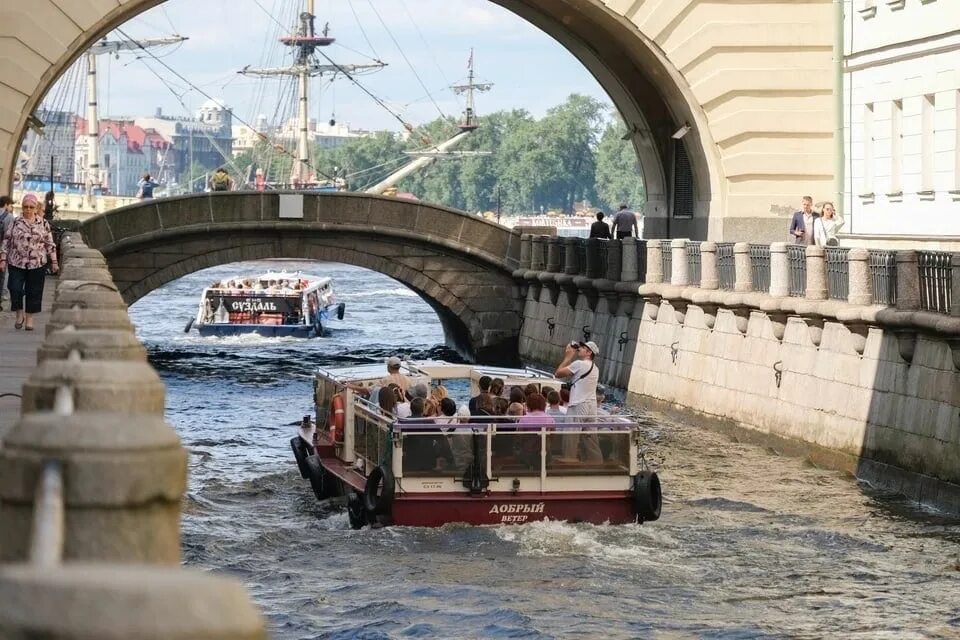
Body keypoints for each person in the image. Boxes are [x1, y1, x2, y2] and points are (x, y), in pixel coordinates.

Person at [0, 193, 59, 331]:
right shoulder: (16, 222)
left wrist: (54, 262)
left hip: (37, 263)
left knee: (34, 291)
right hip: (16, 262)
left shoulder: (43, 223)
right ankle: (19, 313)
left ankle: (29, 318)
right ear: (22, 207)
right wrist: (3, 259)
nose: (28, 209)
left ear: (36, 208)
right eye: (25, 207)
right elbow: (6, 241)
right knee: (14, 288)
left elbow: (50, 244)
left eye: (31, 207)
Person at [555, 340, 602, 462]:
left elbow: (558, 373)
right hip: (591, 406)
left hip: (578, 404)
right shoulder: (595, 368)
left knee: (571, 435)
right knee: (591, 438)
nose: (579, 348)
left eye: (582, 347)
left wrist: (568, 357)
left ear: (589, 352)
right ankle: (597, 464)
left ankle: (568, 461)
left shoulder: (579, 364)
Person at [0, 195, 15, 309]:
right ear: (6, 204)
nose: (11, 208)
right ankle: (2, 295)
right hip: (2, 250)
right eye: (10, 205)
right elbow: (9, 236)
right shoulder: (9, 217)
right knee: (2, 275)